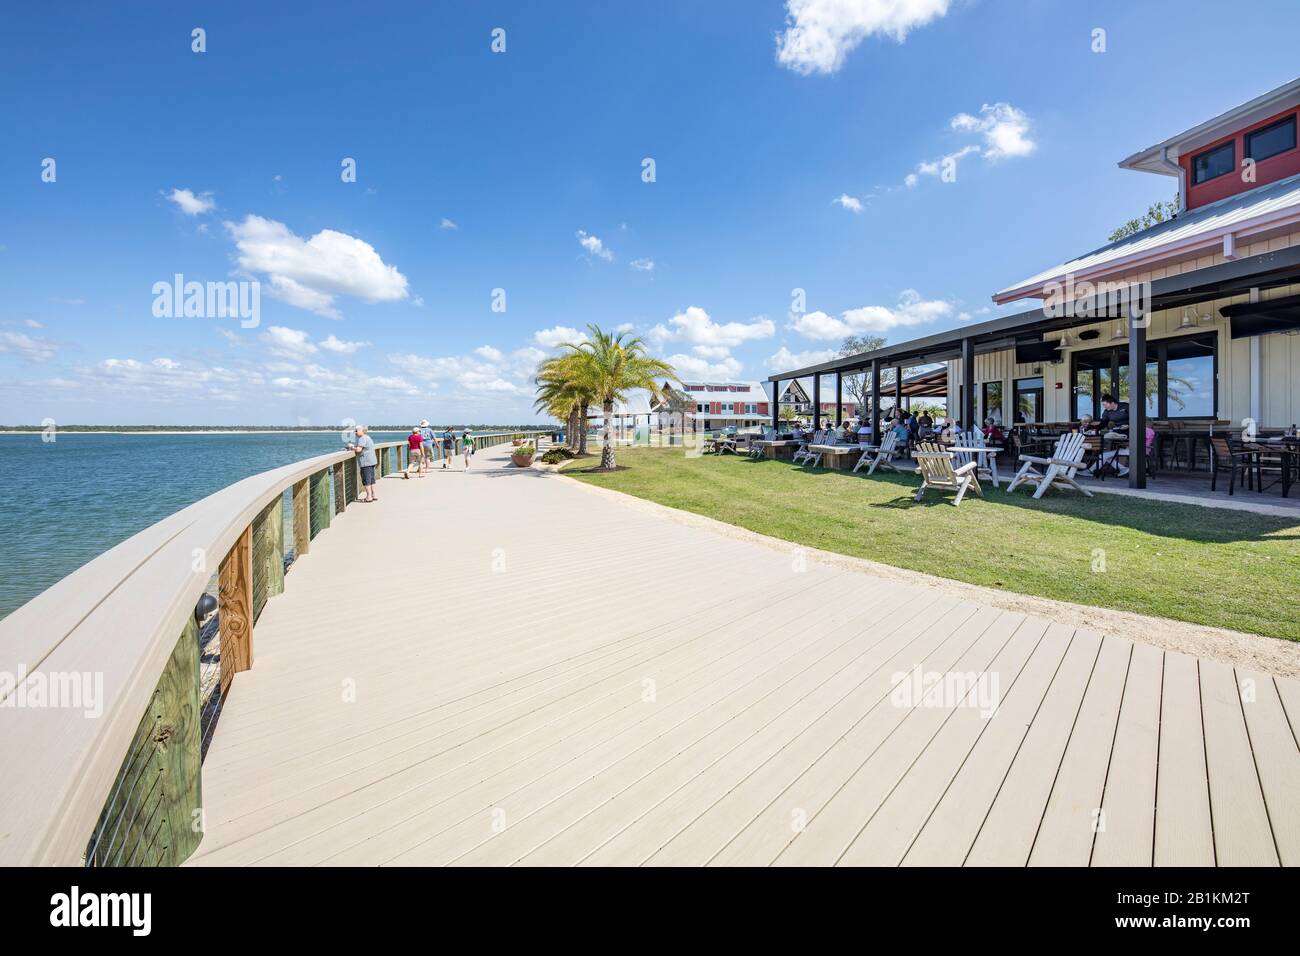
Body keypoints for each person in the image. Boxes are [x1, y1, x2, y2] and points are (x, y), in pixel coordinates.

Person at [1098, 394, 1131, 476]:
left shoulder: (1125, 406)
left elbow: (1137, 417)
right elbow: (1103, 423)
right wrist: (1093, 428)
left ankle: (1095, 464)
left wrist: (1129, 425)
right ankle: (1099, 452)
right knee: (1104, 439)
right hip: (1116, 432)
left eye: (1105, 405)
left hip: (1130, 432)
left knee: (1106, 438)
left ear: (1112, 403)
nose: (1104, 407)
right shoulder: (1107, 412)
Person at [348, 425, 378, 501]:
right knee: (371, 479)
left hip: (366, 462)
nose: (355, 432)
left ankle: (369, 497)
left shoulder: (362, 438)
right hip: (371, 461)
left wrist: (351, 447)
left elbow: (358, 450)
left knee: (366, 480)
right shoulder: (367, 437)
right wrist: (355, 446)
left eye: (356, 431)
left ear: (362, 431)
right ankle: (374, 495)